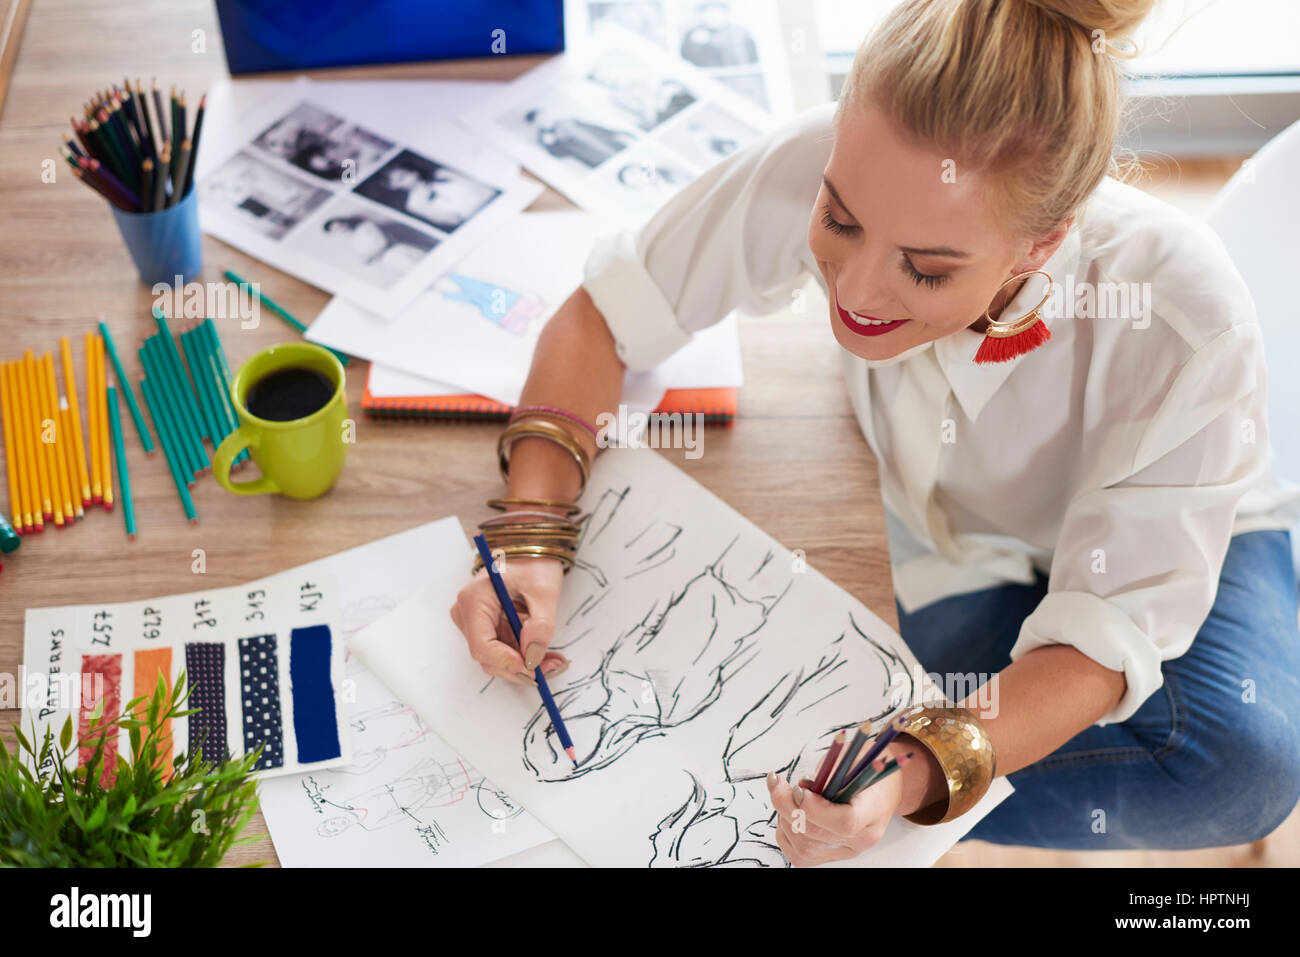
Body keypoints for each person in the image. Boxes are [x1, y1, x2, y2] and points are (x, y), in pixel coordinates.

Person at [449, 0, 1300, 864]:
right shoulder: (829, 152)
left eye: (925, 269)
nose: (854, 292)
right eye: (839, 221)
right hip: (944, 549)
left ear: (1041, 246)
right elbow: (601, 318)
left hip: (1188, 543)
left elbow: (1103, 636)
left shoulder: (1190, 317)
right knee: (770, 722)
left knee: (1249, 768)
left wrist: (920, 771)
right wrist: (531, 534)